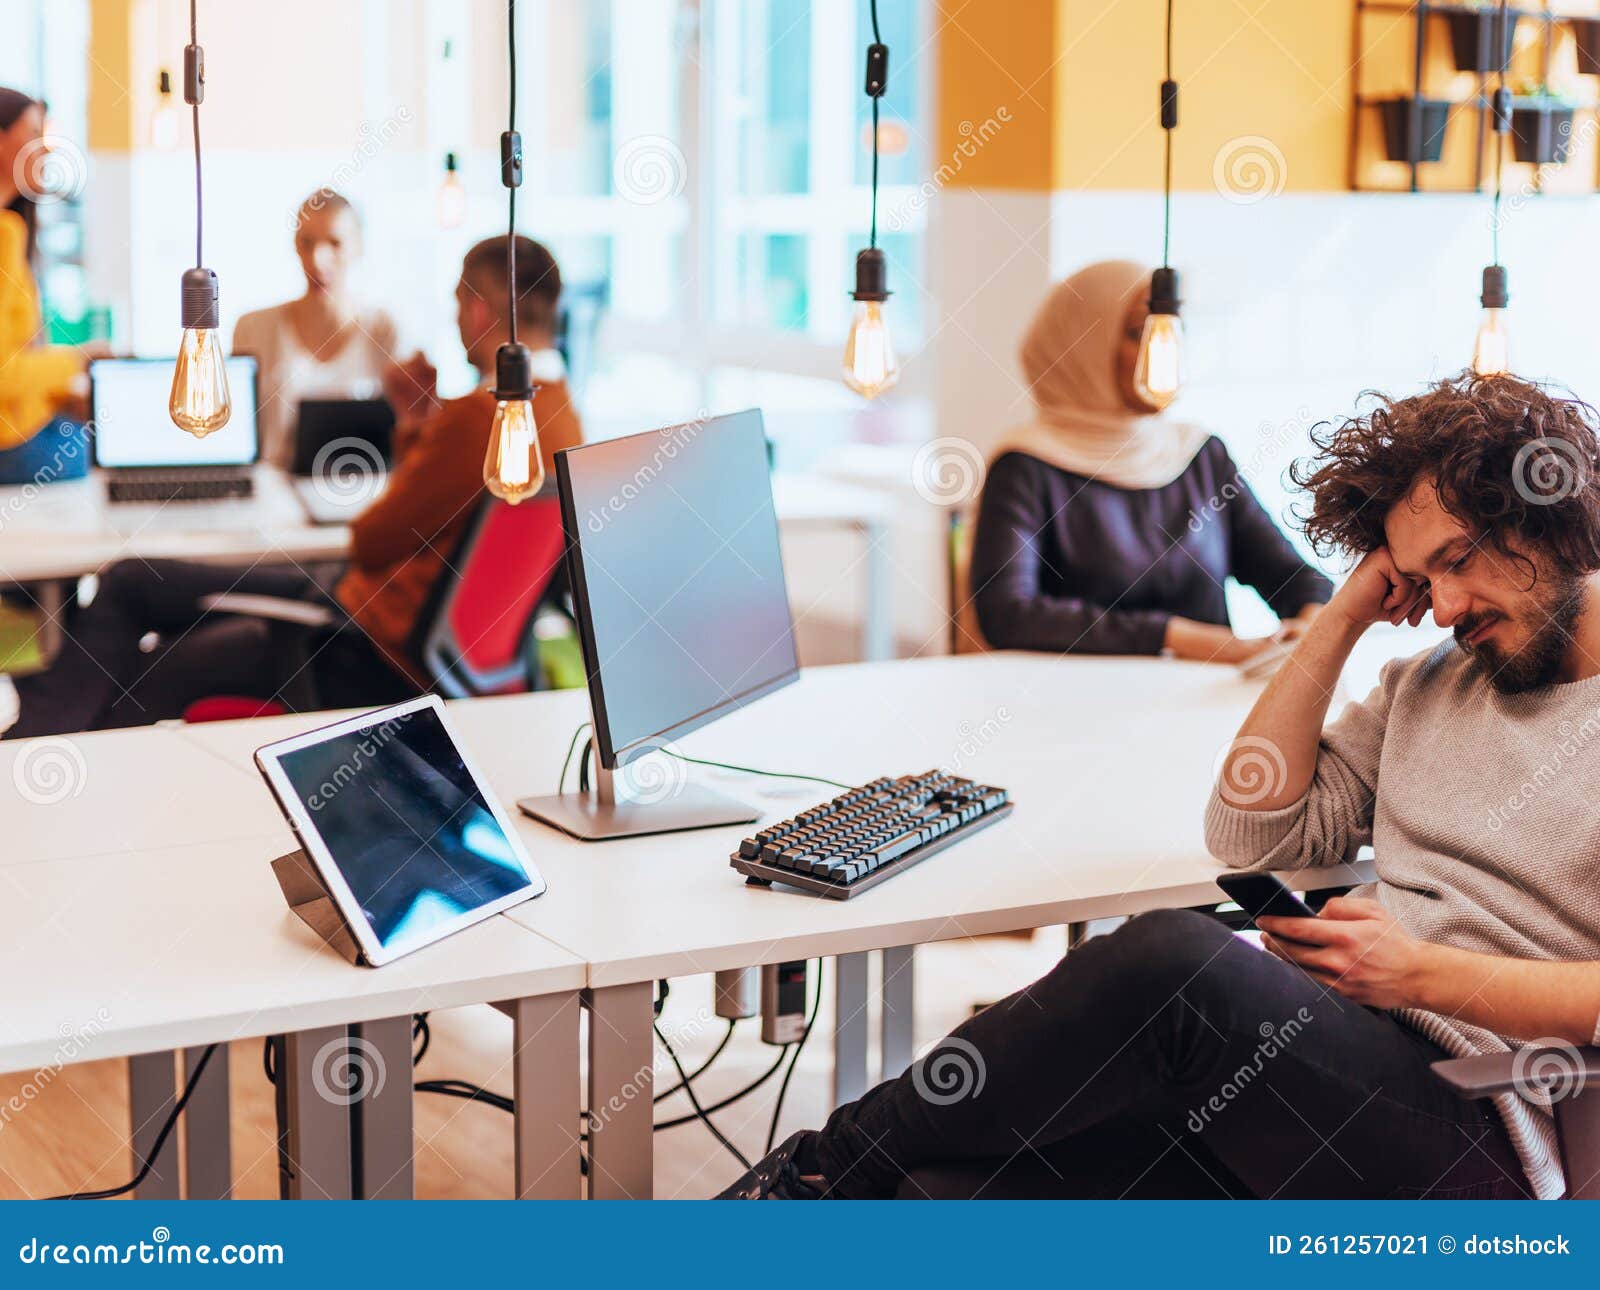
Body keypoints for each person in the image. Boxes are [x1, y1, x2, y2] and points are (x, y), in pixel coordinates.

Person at [720, 372, 1600, 1201]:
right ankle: (813, 1198)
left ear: (1553, 520)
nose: (1443, 607)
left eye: (1458, 559)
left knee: (1171, 962)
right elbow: (1251, 832)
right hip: (1316, 1066)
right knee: (939, 1190)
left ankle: (808, 1173)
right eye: (1418, 580)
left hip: (1483, 1123)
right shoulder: (1430, 683)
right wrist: (1340, 617)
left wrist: (1420, 975)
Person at [0, 235, 581, 738]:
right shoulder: (563, 415)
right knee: (131, 607)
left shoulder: (477, 418)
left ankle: (34, 745)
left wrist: (422, 432)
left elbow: (372, 540)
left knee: (137, 640)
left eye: (459, 305)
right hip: (411, 645)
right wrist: (413, 428)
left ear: (479, 313)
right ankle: (42, 732)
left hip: (361, 651)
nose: (456, 322)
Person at [969, 260, 1331, 662]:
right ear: (1080, 347)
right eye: (1137, 333)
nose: (1161, 350)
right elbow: (1007, 615)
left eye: (1169, 331)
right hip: (1072, 708)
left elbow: (1293, 577)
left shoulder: (1198, 454)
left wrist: (1310, 622)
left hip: (1203, 704)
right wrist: (1176, 637)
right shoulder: (1026, 466)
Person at [232, 189, 399, 468]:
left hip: (363, 486)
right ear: (295, 246)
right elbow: (237, 433)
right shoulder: (253, 328)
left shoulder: (384, 330)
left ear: (358, 247)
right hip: (279, 489)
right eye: (306, 243)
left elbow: (404, 431)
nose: (317, 259)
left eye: (334, 243)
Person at [0, 88, 95, 479]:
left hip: (27, 427)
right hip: (12, 444)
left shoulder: (13, 228)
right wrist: (81, 358)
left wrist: (63, 392)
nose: (47, 150)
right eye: (34, 133)